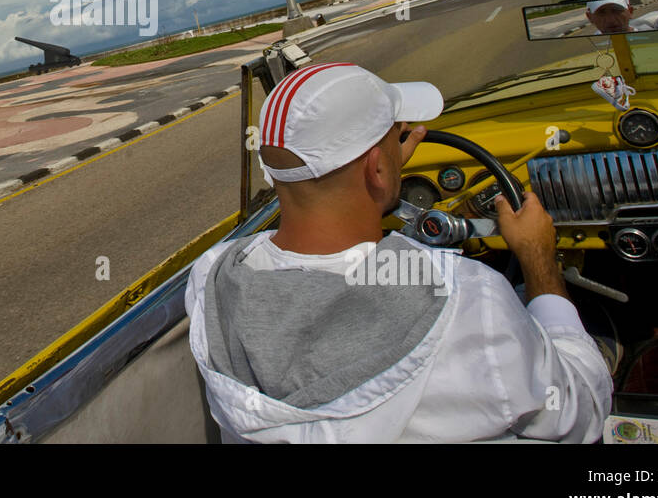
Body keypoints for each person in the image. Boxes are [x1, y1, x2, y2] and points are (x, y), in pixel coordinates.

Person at [185, 63, 612, 443]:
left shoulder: (211, 279)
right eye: (393, 134)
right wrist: (538, 260)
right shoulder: (465, 299)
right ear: (375, 167)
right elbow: (581, 414)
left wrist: (379, 177)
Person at [584, 0, 652, 34]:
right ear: (590, 17)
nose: (610, 20)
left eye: (616, 11)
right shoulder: (593, 42)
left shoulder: (649, 33)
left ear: (630, 11)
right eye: (601, 13)